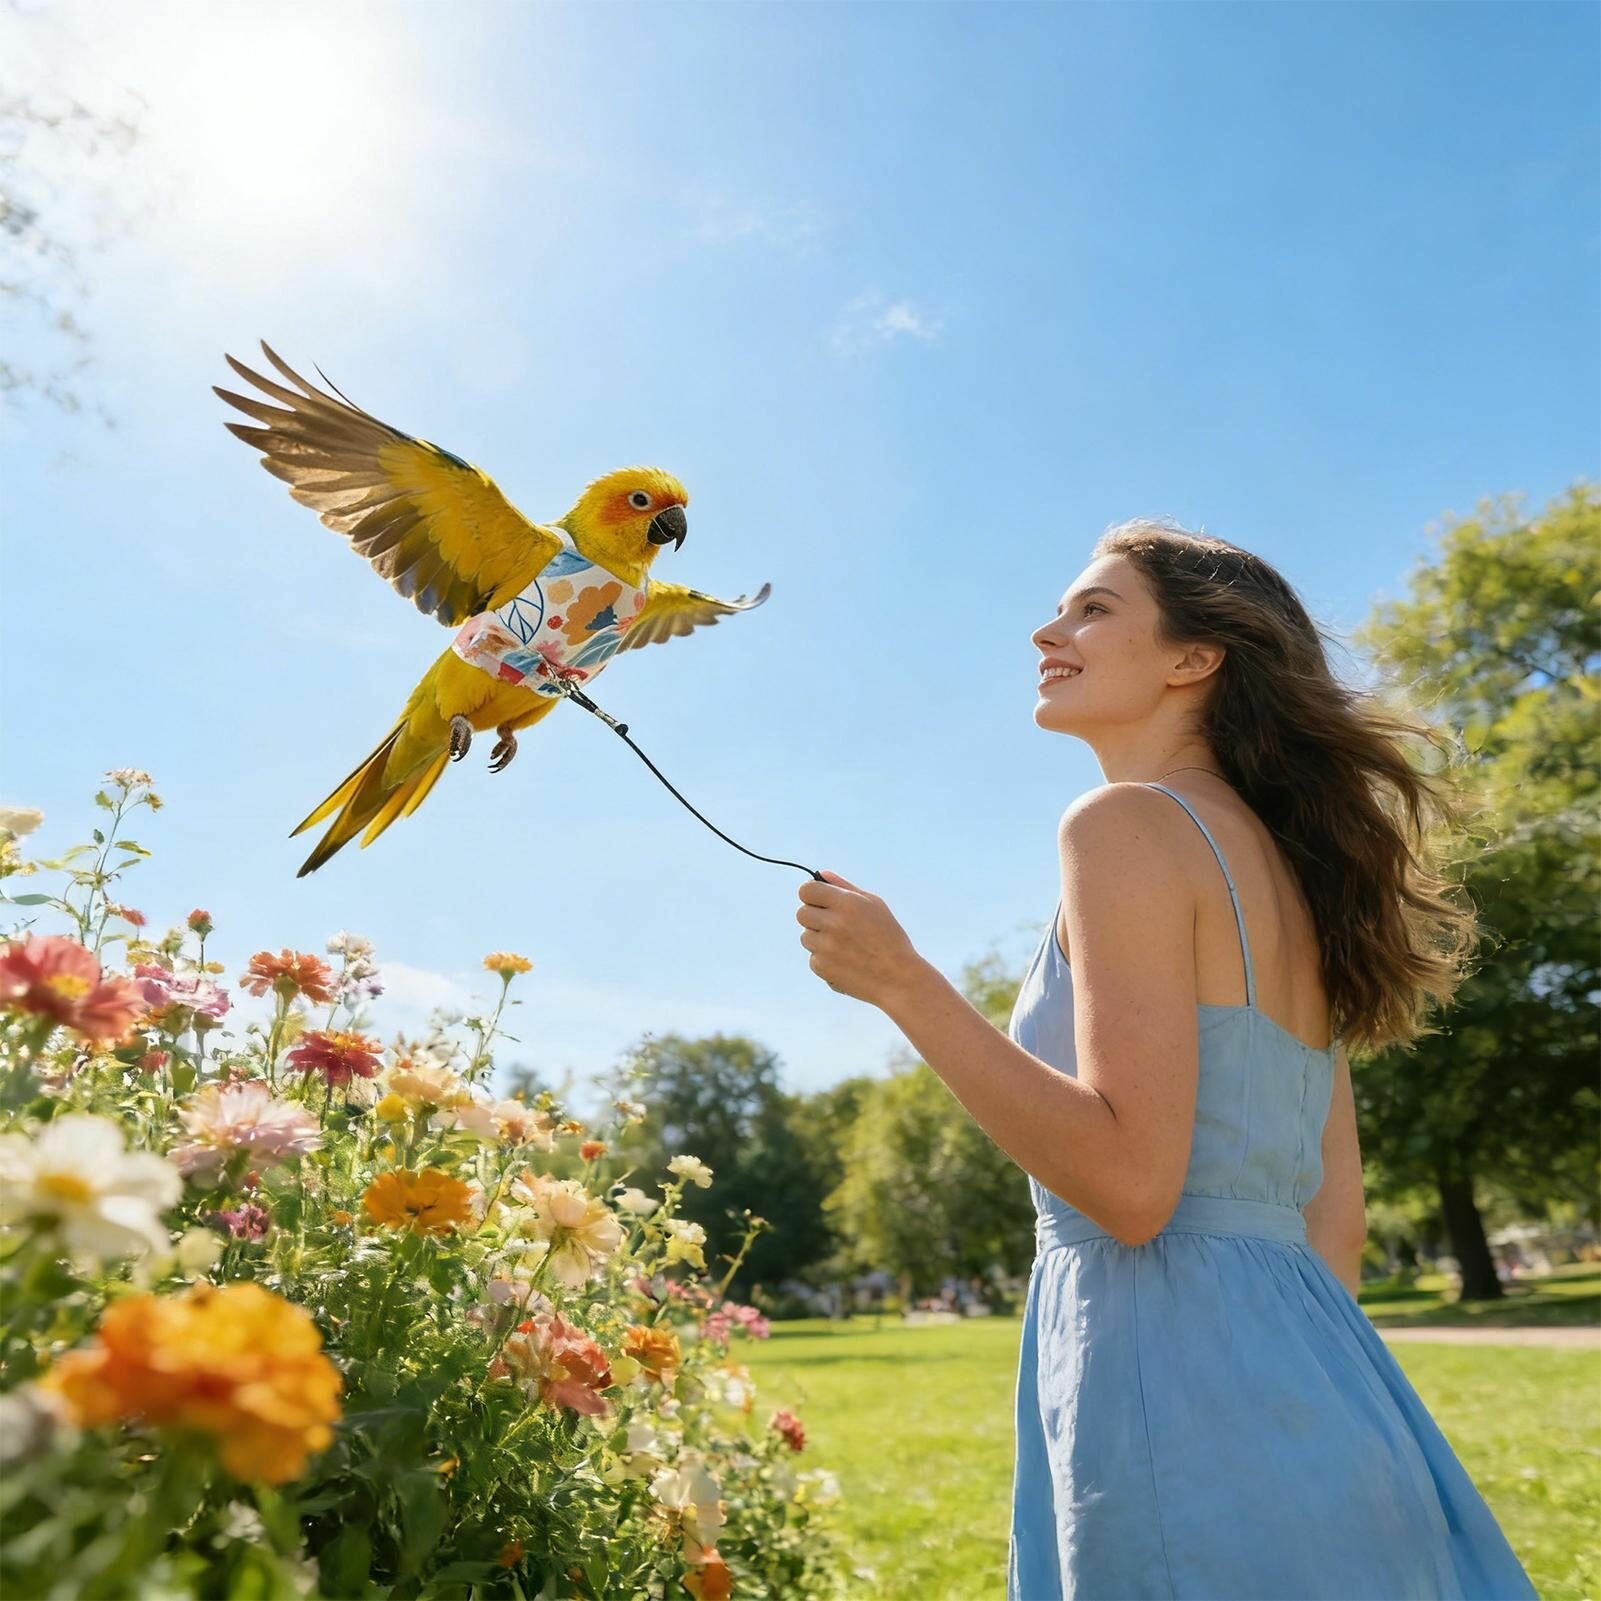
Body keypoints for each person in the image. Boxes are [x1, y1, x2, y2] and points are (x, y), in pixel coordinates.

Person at [793, 516, 1537, 1600]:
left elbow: (1133, 1188)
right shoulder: (1292, 873)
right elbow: (1329, 1217)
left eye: (1092, 607)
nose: (1047, 629)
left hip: (1171, 1412)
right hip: (1328, 1398)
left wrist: (900, 981)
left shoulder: (1121, 826)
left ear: (1194, 658)